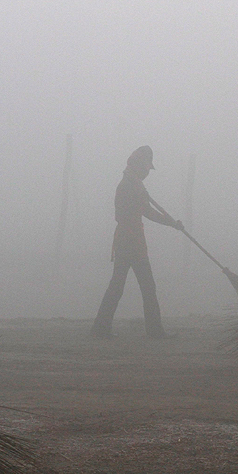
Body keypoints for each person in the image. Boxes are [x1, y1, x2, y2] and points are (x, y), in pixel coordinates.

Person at [90, 145, 183, 339]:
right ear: (140, 166)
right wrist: (171, 223)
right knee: (147, 287)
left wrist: (171, 223)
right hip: (131, 241)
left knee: (118, 286)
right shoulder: (130, 185)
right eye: (147, 168)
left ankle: (100, 327)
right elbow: (147, 212)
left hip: (127, 240)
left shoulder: (132, 183)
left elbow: (143, 209)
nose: (148, 171)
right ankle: (154, 331)